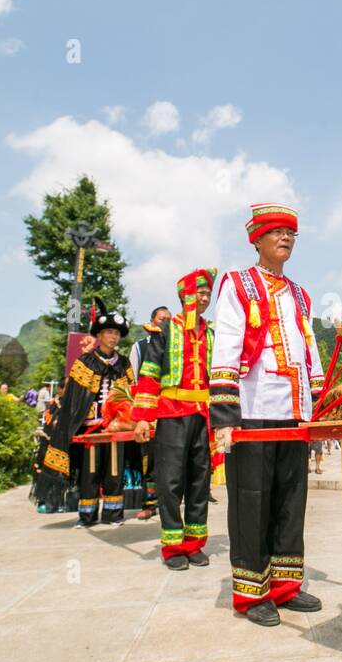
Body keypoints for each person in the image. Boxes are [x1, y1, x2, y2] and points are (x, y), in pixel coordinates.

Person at [210, 203, 325, 627]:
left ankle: (285, 586)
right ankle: (250, 592)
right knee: (251, 501)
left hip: (294, 412)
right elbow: (226, 346)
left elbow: (309, 350)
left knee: (291, 499)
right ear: (256, 239)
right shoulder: (237, 285)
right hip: (254, 412)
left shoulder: (299, 293)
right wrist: (225, 415)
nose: (286, 239)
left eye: (291, 234)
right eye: (277, 233)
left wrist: (319, 408)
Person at [131, 274, 218, 568]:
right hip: (170, 414)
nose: (205, 298)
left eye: (208, 293)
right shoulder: (165, 331)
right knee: (170, 482)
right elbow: (149, 374)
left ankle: (194, 543)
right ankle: (172, 546)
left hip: (202, 415)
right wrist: (143, 418)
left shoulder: (211, 334)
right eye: (200, 293)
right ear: (185, 297)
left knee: (199, 480)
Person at [38, 307, 138, 528]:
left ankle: (113, 515)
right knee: (89, 473)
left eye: (117, 333)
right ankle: (87, 516)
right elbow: (74, 398)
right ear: (99, 335)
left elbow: (131, 394)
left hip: (116, 427)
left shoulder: (124, 364)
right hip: (89, 427)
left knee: (114, 472)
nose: (113, 337)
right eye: (109, 332)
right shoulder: (84, 362)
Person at [128, 306, 173, 520]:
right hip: (148, 410)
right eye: (161, 319)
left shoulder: (175, 343)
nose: (164, 323)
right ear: (151, 321)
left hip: (170, 410)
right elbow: (133, 380)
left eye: (168, 320)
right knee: (148, 460)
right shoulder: (139, 347)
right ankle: (149, 503)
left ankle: (169, 501)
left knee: (169, 458)